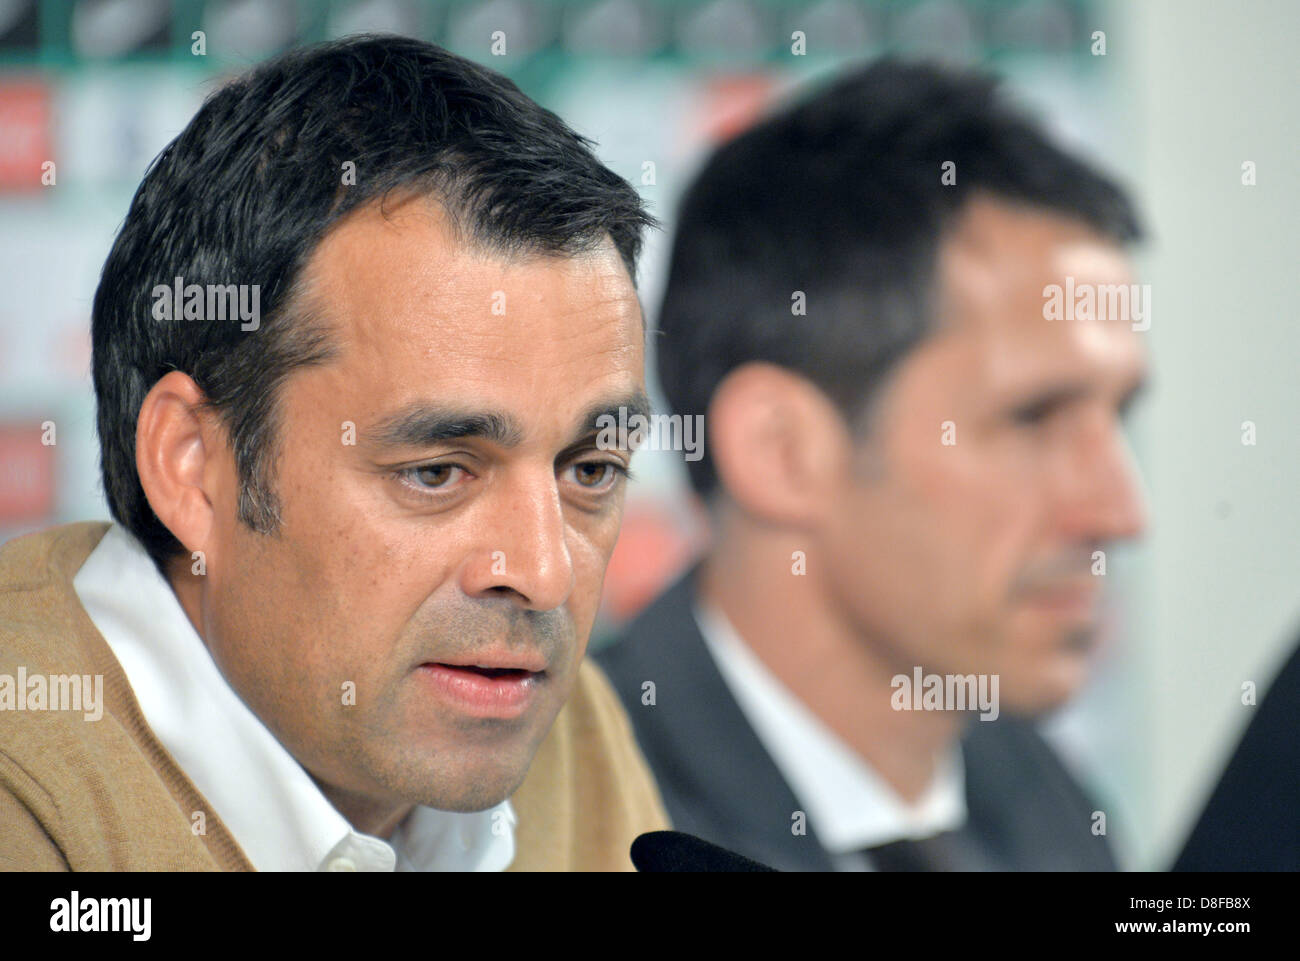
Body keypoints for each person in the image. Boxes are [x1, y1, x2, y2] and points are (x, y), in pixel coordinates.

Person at [0, 34, 668, 871]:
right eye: (436, 471)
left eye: (589, 470)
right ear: (193, 468)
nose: (543, 574)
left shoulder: (556, 721)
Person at [598, 59, 1149, 871]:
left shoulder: (1047, 805)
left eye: (1117, 417)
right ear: (780, 451)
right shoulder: (554, 823)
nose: (1119, 512)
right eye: (1031, 419)